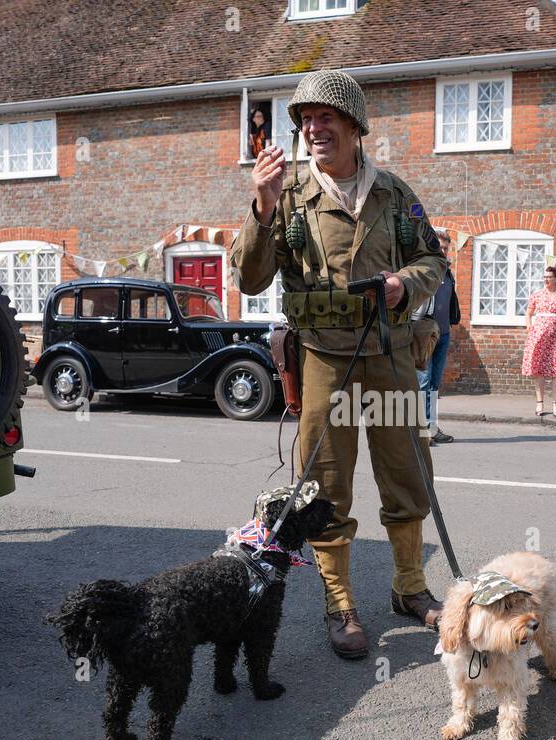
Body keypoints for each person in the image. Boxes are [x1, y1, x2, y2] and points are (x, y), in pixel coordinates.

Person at [230, 70, 448, 660]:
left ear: (354, 125)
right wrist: (263, 204)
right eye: (305, 120)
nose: (312, 128)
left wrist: (408, 282)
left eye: (326, 117)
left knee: (407, 475)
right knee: (324, 486)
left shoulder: (396, 194)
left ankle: (409, 588)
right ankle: (340, 602)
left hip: (392, 356)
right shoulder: (287, 192)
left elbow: (434, 259)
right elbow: (249, 277)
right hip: (324, 358)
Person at [414, 229, 460, 444]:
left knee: (434, 384)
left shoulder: (447, 272)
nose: (443, 251)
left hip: (443, 333)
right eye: (440, 247)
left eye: (446, 248)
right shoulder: (424, 269)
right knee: (422, 382)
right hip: (424, 332)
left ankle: (431, 427)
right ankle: (421, 429)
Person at [520, 265, 556, 418]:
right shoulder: (536, 295)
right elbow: (529, 313)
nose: (546, 279)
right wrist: (529, 327)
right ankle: (540, 403)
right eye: (544, 277)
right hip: (538, 338)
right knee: (538, 370)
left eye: (549, 277)